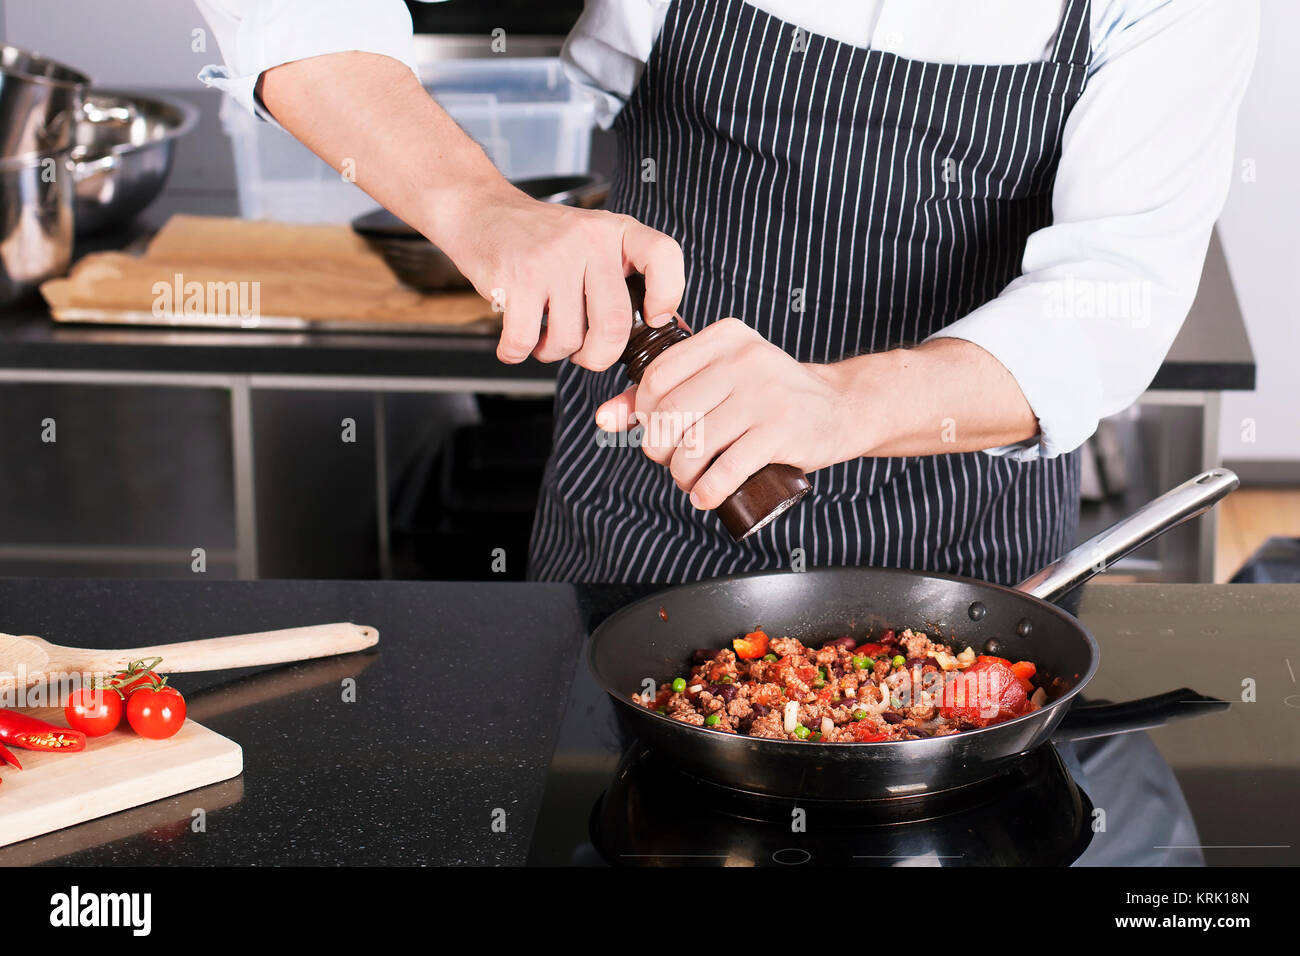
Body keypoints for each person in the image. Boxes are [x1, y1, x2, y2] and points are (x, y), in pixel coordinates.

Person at [195, 0, 1258, 584]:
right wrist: (476, 203)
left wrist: (837, 404)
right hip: (633, 530)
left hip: (963, 576)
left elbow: (1114, 290)